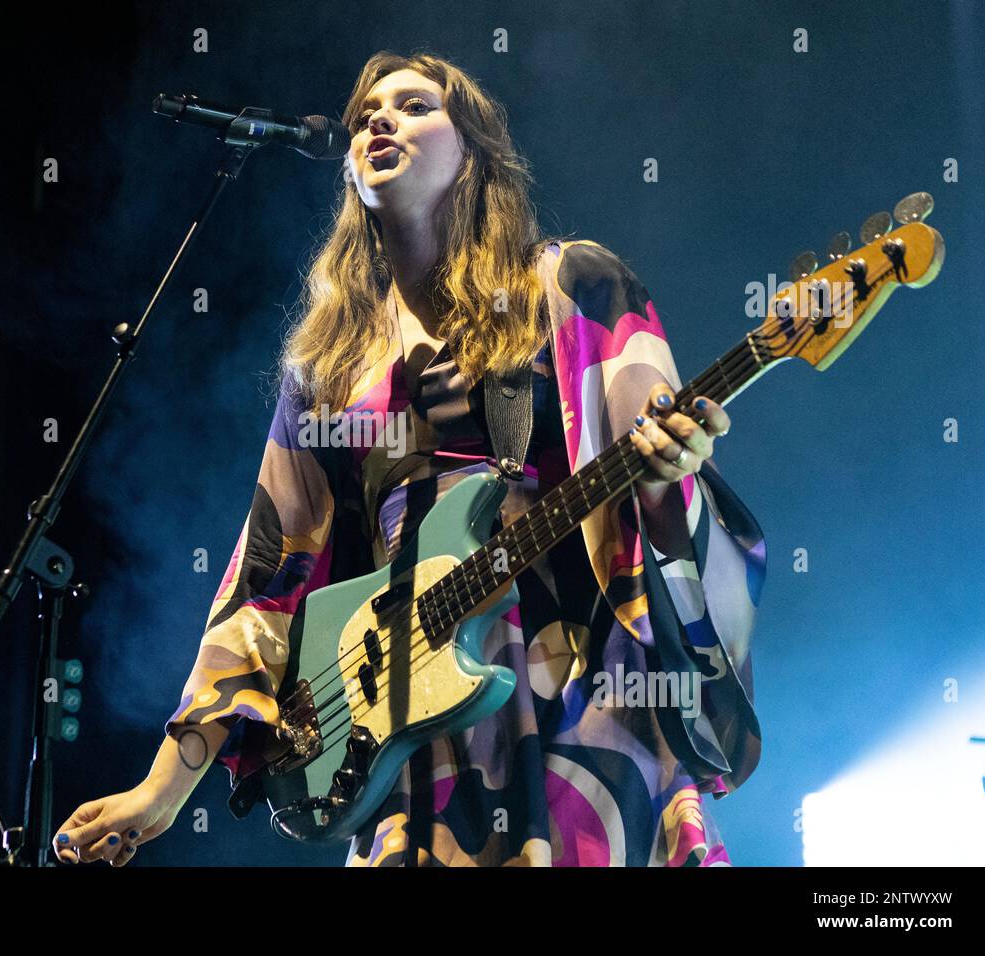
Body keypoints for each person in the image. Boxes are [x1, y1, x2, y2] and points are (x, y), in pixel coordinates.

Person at [53, 50, 766, 867]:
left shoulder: (571, 285)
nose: (376, 122)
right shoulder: (326, 364)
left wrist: (676, 473)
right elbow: (263, 580)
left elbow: (660, 473)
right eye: (364, 116)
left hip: (577, 691)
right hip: (407, 719)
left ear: (475, 153)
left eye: (414, 106)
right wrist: (163, 788)